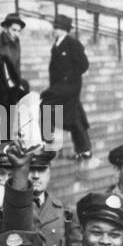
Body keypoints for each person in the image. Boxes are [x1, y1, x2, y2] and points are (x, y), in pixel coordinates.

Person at [43, 14, 91, 158]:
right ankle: (84, 149)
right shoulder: (57, 44)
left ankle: (49, 142)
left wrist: (69, 78)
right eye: (54, 27)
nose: (54, 30)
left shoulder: (73, 44)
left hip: (69, 87)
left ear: (63, 29)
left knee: (44, 104)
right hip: (59, 87)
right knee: (74, 115)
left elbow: (83, 65)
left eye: (56, 28)